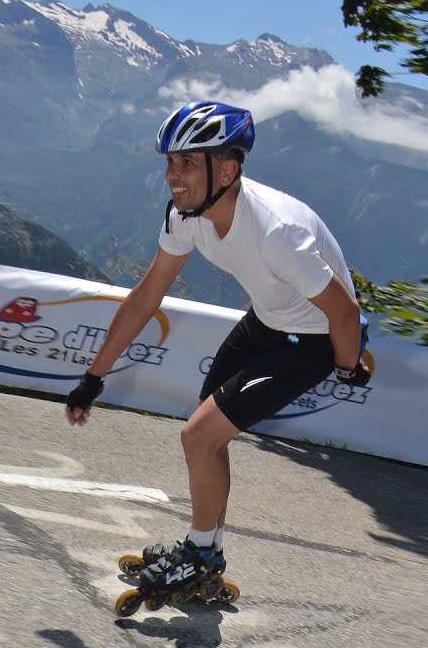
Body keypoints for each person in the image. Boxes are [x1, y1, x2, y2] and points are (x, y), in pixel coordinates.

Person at [64, 99, 370, 591]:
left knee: (199, 437)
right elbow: (146, 297)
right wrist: (92, 377)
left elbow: (346, 313)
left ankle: (199, 551)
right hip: (265, 322)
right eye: (169, 162)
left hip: (310, 341)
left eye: (186, 163)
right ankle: (208, 551)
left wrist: (347, 366)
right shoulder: (186, 216)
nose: (172, 176)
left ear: (226, 169)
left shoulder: (278, 232)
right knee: (207, 435)